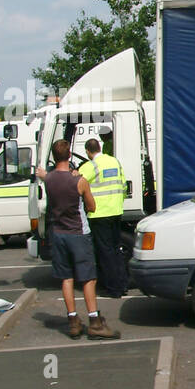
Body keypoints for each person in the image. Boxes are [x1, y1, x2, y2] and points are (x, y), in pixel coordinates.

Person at [45, 139, 120, 341]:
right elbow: (92, 206)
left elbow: (47, 178)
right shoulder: (79, 181)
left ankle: (73, 322)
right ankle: (94, 322)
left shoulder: (49, 180)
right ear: (69, 155)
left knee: (66, 278)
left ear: (54, 157)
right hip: (78, 233)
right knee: (88, 278)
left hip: (59, 233)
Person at [78, 137, 128, 298]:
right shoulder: (114, 162)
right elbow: (124, 185)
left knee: (105, 253)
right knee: (117, 250)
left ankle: (113, 289)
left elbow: (77, 183)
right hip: (116, 210)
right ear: (100, 147)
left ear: (87, 151)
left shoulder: (90, 165)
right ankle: (122, 284)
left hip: (100, 214)